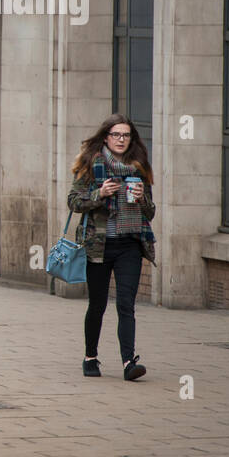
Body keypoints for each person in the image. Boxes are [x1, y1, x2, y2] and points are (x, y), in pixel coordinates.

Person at [67, 115, 154, 382]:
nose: (121, 140)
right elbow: (73, 202)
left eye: (126, 135)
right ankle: (90, 356)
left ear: (132, 139)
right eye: (116, 135)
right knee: (98, 304)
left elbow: (150, 213)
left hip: (130, 244)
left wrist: (141, 200)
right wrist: (100, 194)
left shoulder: (138, 168)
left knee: (126, 304)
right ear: (106, 137)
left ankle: (129, 362)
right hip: (99, 246)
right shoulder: (91, 165)